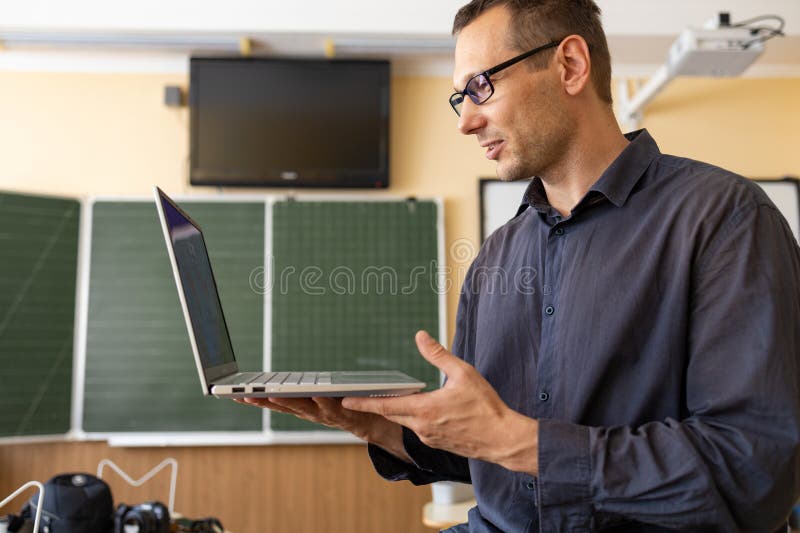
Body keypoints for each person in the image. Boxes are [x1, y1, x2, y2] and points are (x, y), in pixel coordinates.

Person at [240, 0, 800, 530]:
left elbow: (754, 471)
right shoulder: (495, 258)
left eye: (481, 86)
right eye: (461, 98)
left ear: (571, 65)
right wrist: (375, 426)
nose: (466, 122)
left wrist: (518, 442)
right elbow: (484, 453)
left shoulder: (724, 218)